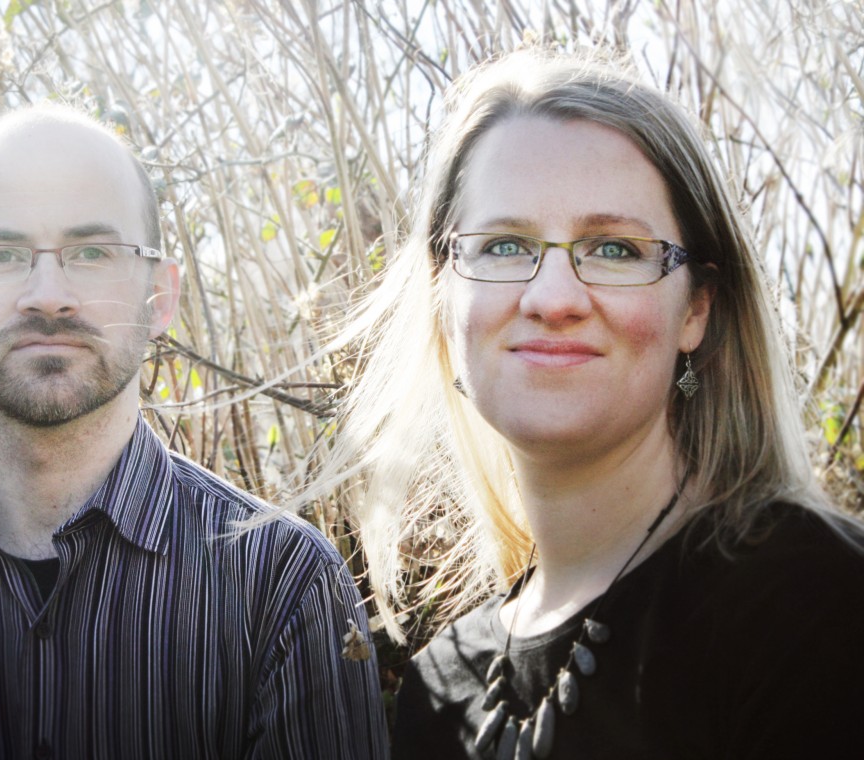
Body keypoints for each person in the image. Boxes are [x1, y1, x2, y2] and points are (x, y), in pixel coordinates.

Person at [306, 49, 864, 758]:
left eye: (614, 249)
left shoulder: (814, 603)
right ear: (444, 296)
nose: (553, 298)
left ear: (697, 306)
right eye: (506, 244)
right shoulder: (436, 692)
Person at [0, 105, 388, 759]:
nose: (48, 294)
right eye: (2, 253)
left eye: (93, 252)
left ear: (161, 296)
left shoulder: (283, 585)